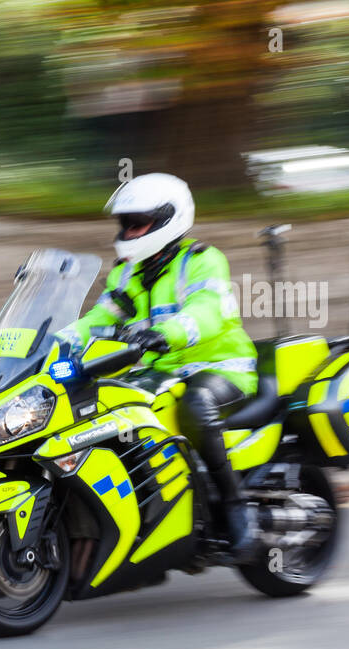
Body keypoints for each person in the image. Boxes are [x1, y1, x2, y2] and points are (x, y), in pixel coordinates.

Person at [57, 172, 259, 560]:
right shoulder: (126, 273)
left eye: (140, 223)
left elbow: (208, 312)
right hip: (158, 376)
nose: (130, 231)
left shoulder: (202, 262)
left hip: (218, 369)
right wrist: (57, 341)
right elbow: (99, 319)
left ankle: (236, 507)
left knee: (196, 407)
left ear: (170, 218)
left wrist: (165, 333)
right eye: (126, 224)